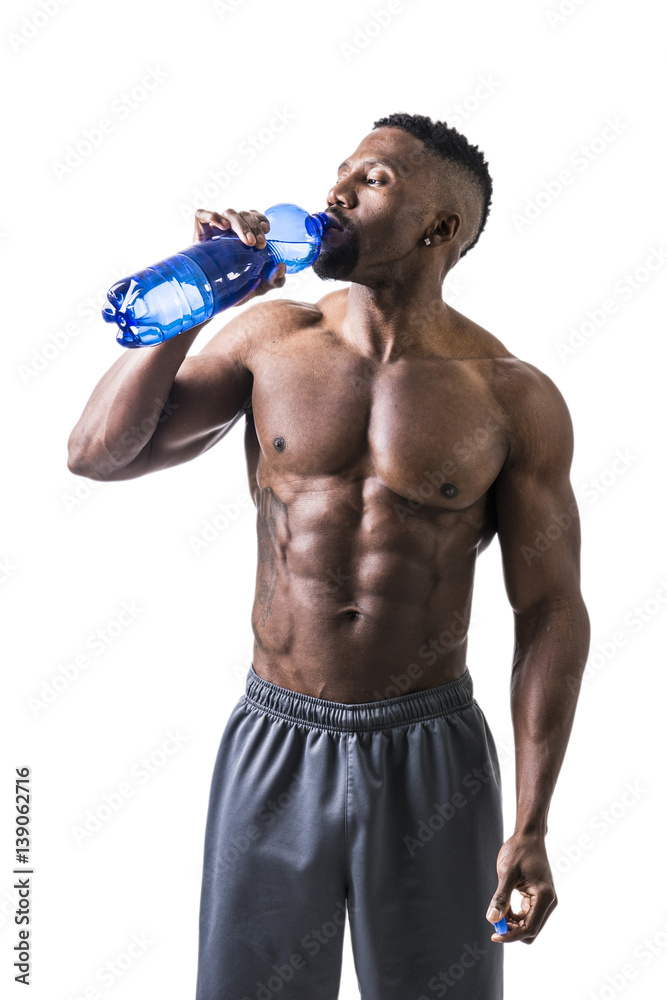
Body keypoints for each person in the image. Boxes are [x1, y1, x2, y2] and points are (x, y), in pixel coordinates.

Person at [67, 112, 591, 1000]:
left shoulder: (509, 395)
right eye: (340, 171)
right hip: (276, 739)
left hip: (431, 751)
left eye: (374, 180)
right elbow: (97, 454)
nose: (336, 192)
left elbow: (548, 611)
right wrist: (194, 306)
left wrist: (531, 823)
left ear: (439, 228)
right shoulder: (273, 339)